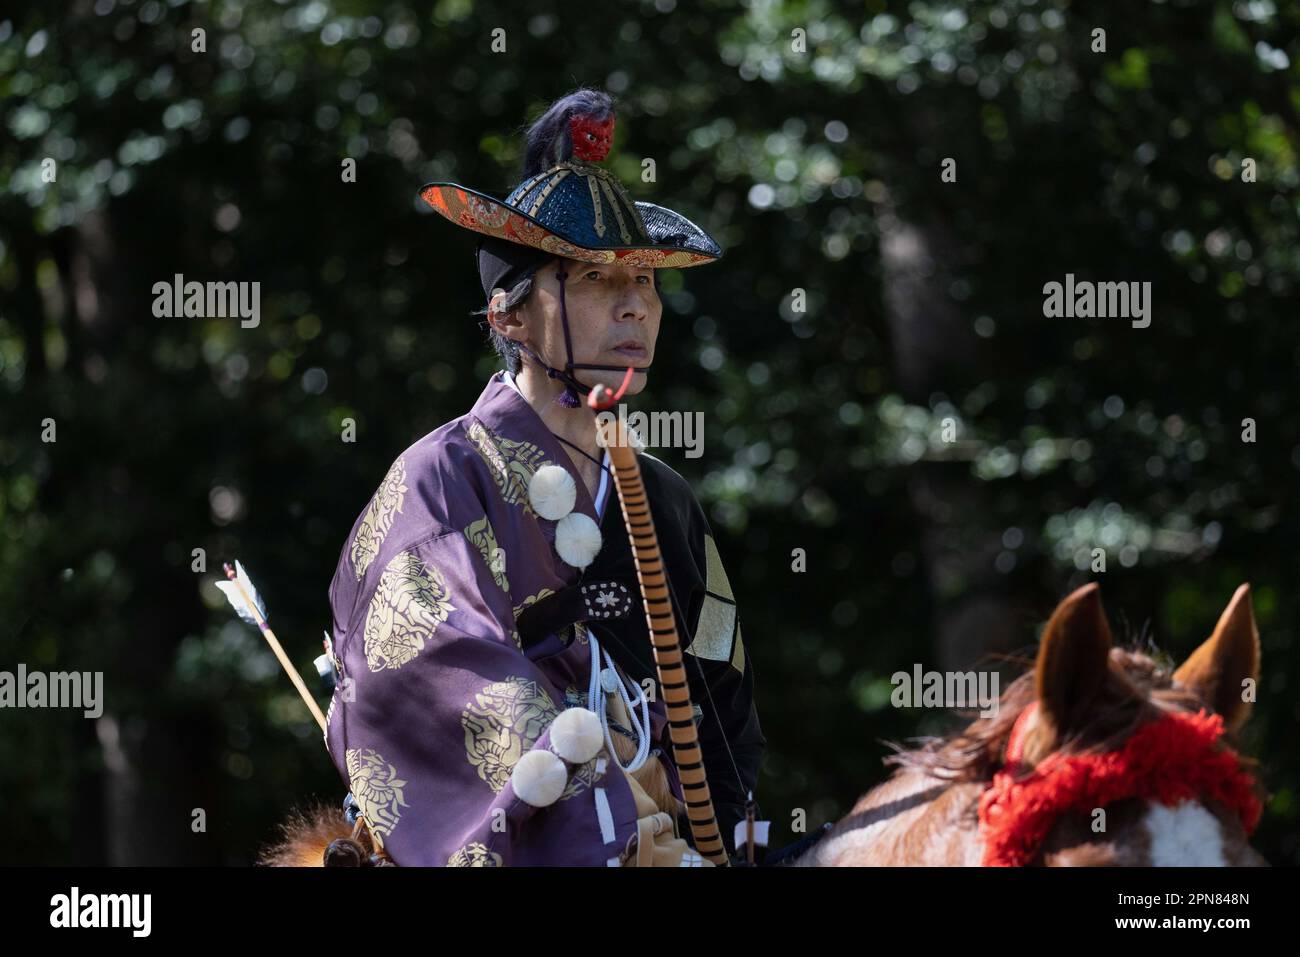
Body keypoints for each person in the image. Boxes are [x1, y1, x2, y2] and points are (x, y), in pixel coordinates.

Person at [321, 88, 764, 866]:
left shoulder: (663, 499)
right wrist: (612, 829)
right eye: (594, 279)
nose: (635, 307)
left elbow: (722, 699)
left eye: (647, 282)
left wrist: (719, 847)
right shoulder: (440, 479)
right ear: (509, 317)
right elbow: (437, 678)